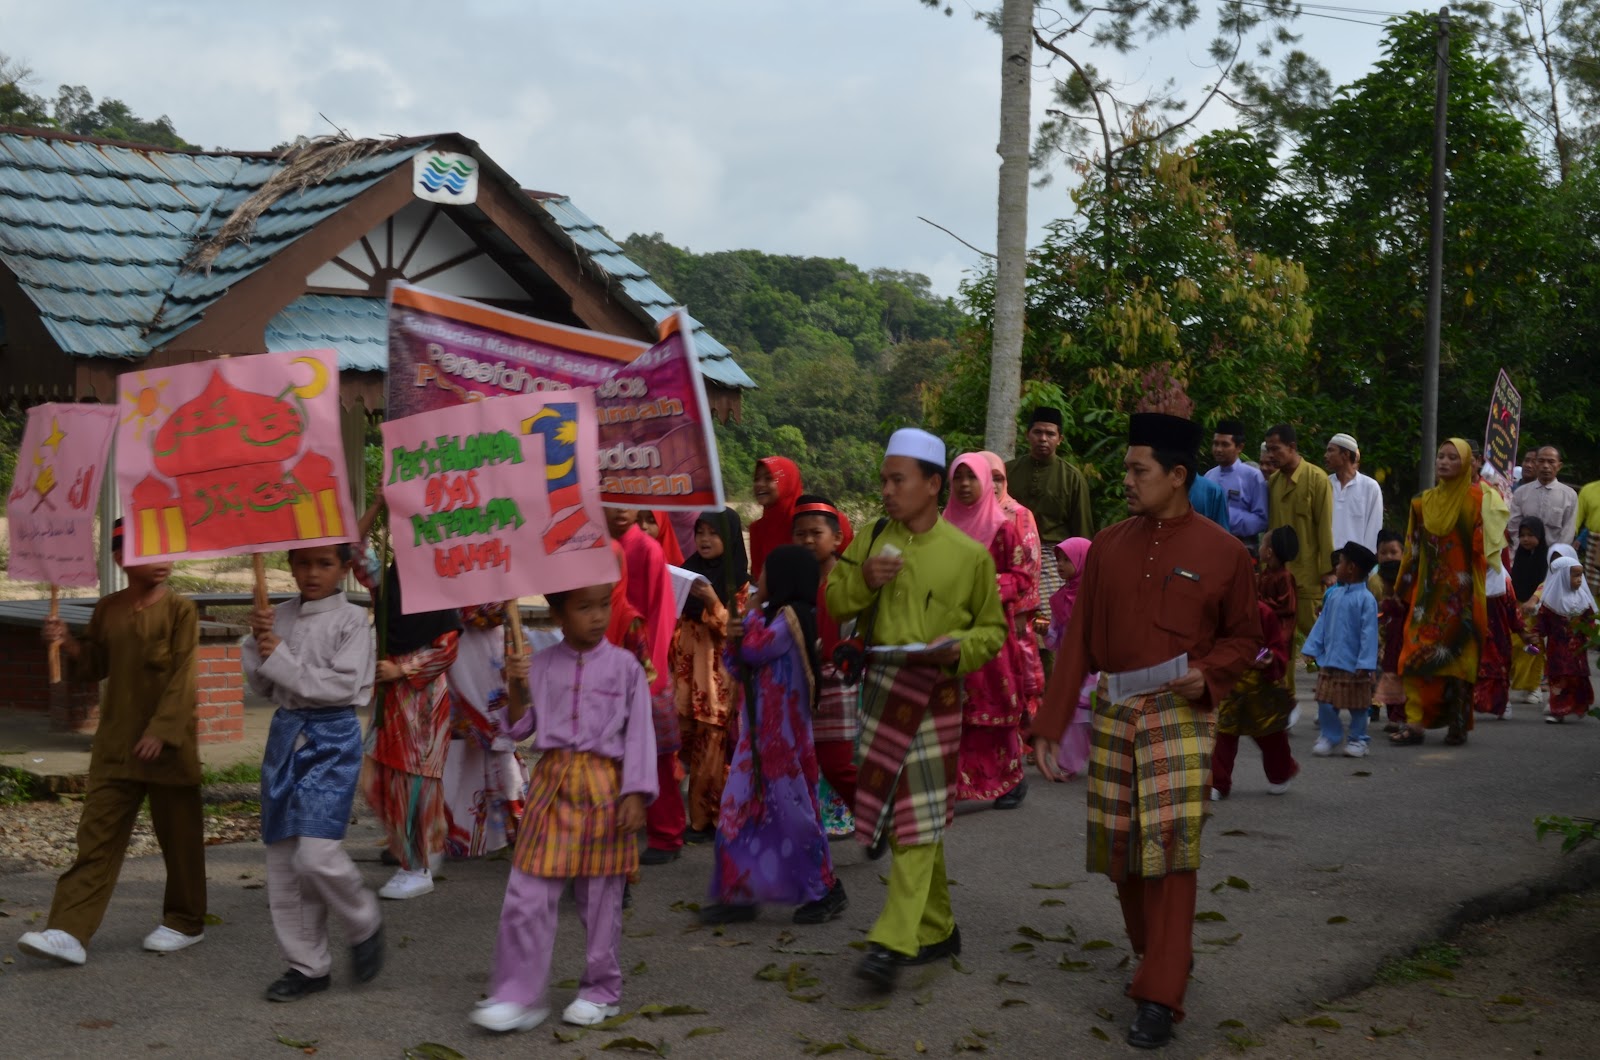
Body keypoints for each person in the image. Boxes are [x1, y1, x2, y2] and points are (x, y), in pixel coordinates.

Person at [1034, 411, 1260, 1049]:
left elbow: (1246, 637)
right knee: (1121, 853)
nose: (1127, 480)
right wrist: (1050, 723)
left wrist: (1209, 673)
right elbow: (1079, 640)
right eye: (1127, 469)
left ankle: (1161, 991)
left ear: (1177, 475)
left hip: (1180, 713)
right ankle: (1159, 951)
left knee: (1169, 848)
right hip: (1115, 707)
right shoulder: (1107, 545)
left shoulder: (1224, 553)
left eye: (1139, 470)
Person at [827, 428, 1007, 992]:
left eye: (897, 480)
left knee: (916, 816)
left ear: (932, 485)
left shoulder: (970, 556)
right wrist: (863, 580)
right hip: (881, 690)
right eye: (883, 480)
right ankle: (938, 927)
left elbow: (993, 631)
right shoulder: (874, 538)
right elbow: (834, 600)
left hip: (935, 693)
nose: (886, 490)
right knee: (911, 815)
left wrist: (959, 649)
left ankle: (892, 940)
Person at [470, 583, 656, 1033]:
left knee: (601, 900)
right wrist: (516, 684)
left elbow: (639, 733)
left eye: (603, 605)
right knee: (526, 893)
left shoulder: (626, 667)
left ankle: (601, 990)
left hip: (605, 788)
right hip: (552, 785)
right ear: (557, 613)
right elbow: (518, 728)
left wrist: (636, 792)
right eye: (583, 607)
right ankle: (518, 995)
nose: (597, 616)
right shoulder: (539, 663)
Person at [20, 520, 205, 967]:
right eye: (148, 550)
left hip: (168, 747)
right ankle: (68, 930)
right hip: (116, 745)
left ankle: (185, 921)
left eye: (166, 548)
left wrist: (161, 730)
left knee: (180, 839)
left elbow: (185, 677)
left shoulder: (181, 611)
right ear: (122, 558)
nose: (162, 559)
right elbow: (95, 665)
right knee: (96, 837)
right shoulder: (109, 609)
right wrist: (67, 643)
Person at [242, 543, 385, 1001]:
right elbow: (265, 687)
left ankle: (363, 918)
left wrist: (280, 656)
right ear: (289, 565)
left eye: (325, 563)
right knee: (284, 860)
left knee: (316, 855)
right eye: (303, 562)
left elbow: (341, 686)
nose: (312, 573)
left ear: (344, 568)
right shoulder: (277, 616)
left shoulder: (352, 621)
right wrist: (257, 641)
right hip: (286, 736)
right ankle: (306, 966)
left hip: (331, 740)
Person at [702, 545, 847, 926]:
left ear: (782, 578)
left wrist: (747, 616)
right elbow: (737, 663)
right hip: (757, 738)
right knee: (736, 809)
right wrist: (738, 630)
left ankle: (826, 888)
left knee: (795, 815)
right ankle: (739, 892)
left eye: (765, 571)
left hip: (783, 743)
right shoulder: (769, 616)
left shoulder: (791, 618)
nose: (758, 578)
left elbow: (754, 649)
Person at [354, 500, 463, 901]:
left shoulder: (438, 583)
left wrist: (402, 669)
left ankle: (416, 867)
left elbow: (447, 650)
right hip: (389, 700)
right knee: (375, 781)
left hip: (422, 702)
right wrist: (378, 503)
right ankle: (424, 845)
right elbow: (353, 548)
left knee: (412, 785)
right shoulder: (387, 582)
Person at [1392, 439, 1496, 748]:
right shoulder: (1420, 503)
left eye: (1453, 457)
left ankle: (1457, 723)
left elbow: (1487, 547)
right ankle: (1414, 723)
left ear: (1466, 463)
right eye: (1441, 456)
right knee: (1412, 657)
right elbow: (1411, 548)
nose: (1444, 462)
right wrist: (1401, 588)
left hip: (1464, 597)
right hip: (1427, 596)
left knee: (1459, 662)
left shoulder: (1480, 501)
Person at [944, 453, 1032, 810]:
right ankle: (958, 784)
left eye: (972, 477)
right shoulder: (941, 529)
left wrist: (982, 587)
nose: (965, 485)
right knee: (955, 710)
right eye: (958, 478)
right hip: (951, 631)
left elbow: (1021, 576)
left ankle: (1011, 779)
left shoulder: (1003, 529)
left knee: (995, 703)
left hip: (992, 632)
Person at [607, 508, 687, 866]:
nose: (621, 511)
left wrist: (648, 676)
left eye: (629, 504)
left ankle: (666, 834)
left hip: (644, 666)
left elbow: (661, 614)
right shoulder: (595, 545)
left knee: (656, 755)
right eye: (613, 501)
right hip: (605, 664)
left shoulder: (648, 549)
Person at [672, 508, 748, 842]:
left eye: (713, 533)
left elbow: (736, 630)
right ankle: (696, 816)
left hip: (717, 683)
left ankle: (709, 821)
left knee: (712, 754)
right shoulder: (689, 572)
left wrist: (713, 601)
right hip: (686, 679)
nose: (704, 539)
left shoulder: (740, 583)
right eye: (700, 532)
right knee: (689, 749)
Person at [441, 603, 528, 860]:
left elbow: (488, 613)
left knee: (496, 734)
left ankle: (514, 823)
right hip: (455, 650)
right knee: (457, 743)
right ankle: (445, 831)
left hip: (485, 653)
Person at [791, 494, 859, 817]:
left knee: (837, 765)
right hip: (800, 683)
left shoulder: (850, 581)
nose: (807, 540)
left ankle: (878, 816)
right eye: (800, 534)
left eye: (816, 533)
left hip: (839, 682)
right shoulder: (791, 583)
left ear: (837, 537)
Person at [982, 452, 1046, 733]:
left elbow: (1030, 565)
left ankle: (1020, 737)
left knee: (1015, 674)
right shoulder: (962, 515)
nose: (993, 485)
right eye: (986, 478)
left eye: (998, 478)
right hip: (973, 614)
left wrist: (1020, 610)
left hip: (1011, 611)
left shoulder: (1018, 514)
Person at [1005, 407, 1095, 608]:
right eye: (1037, 432)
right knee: (1010, 613)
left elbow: (1082, 531)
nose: (1043, 439)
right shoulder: (1008, 472)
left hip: (1053, 558)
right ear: (1027, 435)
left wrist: (1081, 572)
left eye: (1050, 434)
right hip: (1013, 554)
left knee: (1048, 616)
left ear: (1060, 439)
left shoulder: (1072, 478)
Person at [1210, 600, 1298, 799]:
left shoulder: (1263, 612)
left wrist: (1270, 658)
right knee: (1224, 734)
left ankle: (1281, 774)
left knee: (1270, 734)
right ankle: (1218, 782)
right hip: (1230, 682)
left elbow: (1276, 645)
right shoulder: (1219, 610)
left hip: (1260, 684)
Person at [1302, 543, 1380, 758]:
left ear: (1351, 568)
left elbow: (1369, 634)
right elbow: (1322, 624)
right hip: (1330, 661)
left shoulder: (1366, 600)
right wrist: (1312, 647)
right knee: (1325, 700)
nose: (1336, 567)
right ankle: (1330, 735)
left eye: (1341, 562)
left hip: (1354, 664)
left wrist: (1366, 663)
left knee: (1358, 706)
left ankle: (1358, 739)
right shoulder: (1334, 596)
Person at [1265, 424, 1335, 650]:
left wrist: (1328, 571)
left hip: (1309, 574)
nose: (1271, 455)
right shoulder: (1274, 482)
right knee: (1281, 639)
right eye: (1268, 449)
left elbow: (1325, 528)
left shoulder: (1317, 479)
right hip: (1281, 575)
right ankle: (1285, 677)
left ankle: (1332, 673)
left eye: (1276, 449)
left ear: (1292, 447)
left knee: (1317, 635)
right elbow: (1272, 528)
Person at [1043, 539, 1096, 779]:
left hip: (1093, 667)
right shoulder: (1058, 599)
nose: (1060, 565)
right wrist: (1045, 631)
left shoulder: (1095, 597)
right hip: (1068, 667)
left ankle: (1107, 761)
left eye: (1067, 559)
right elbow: (1054, 637)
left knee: (1096, 713)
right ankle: (1068, 762)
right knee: (1075, 715)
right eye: (1058, 560)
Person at [1537, 555, 1595, 723]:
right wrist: (1534, 637)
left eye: (1580, 575)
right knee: (1559, 680)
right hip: (1557, 650)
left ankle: (1578, 705)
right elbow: (1542, 624)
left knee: (1578, 679)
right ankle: (1558, 711)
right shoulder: (1550, 601)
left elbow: (1590, 621)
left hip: (1578, 650)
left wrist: (1592, 636)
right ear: (1562, 576)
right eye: (1575, 575)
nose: (1579, 579)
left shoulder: (1583, 599)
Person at [1205, 419, 1268, 551]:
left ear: (1239, 447)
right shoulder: (1209, 476)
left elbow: (1262, 520)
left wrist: (1225, 516)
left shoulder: (1253, 476)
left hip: (1243, 547)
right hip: (1209, 545)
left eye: (1225, 444)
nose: (1218, 449)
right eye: (1215, 444)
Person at [1509, 518, 1549, 705]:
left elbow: (1546, 584)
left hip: (1536, 610)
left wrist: (1534, 600)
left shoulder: (1546, 559)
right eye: (1522, 535)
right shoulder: (1519, 557)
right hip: (1518, 610)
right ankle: (1522, 685)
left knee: (1534, 648)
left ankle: (1534, 687)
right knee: (1517, 647)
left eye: (1530, 535)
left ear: (1540, 535)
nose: (1525, 539)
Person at [749, 456, 803, 585]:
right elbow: (756, 578)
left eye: (768, 478)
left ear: (788, 483)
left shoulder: (806, 527)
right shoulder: (757, 529)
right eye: (756, 479)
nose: (759, 484)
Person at [1325, 434, 1383, 554]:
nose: (1326, 455)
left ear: (1345, 454)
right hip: (1327, 558)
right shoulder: (1325, 484)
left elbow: (1374, 529)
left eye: (1331, 450)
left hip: (1356, 560)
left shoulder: (1370, 487)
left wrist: (1365, 561)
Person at [1509, 446, 1578, 546]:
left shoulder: (1569, 495)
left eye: (1551, 462)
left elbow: (1568, 531)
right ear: (1536, 463)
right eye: (1541, 461)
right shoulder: (1521, 493)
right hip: (1524, 551)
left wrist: (1556, 552)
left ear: (1559, 466)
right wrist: (1521, 546)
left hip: (1553, 553)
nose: (1545, 466)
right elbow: (1514, 525)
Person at [1375, 560, 1409, 731]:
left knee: (1399, 689)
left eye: (1385, 584)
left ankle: (1398, 718)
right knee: (1391, 688)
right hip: (1390, 654)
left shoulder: (1398, 605)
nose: (1383, 588)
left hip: (1399, 654)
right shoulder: (1391, 605)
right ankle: (1393, 717)